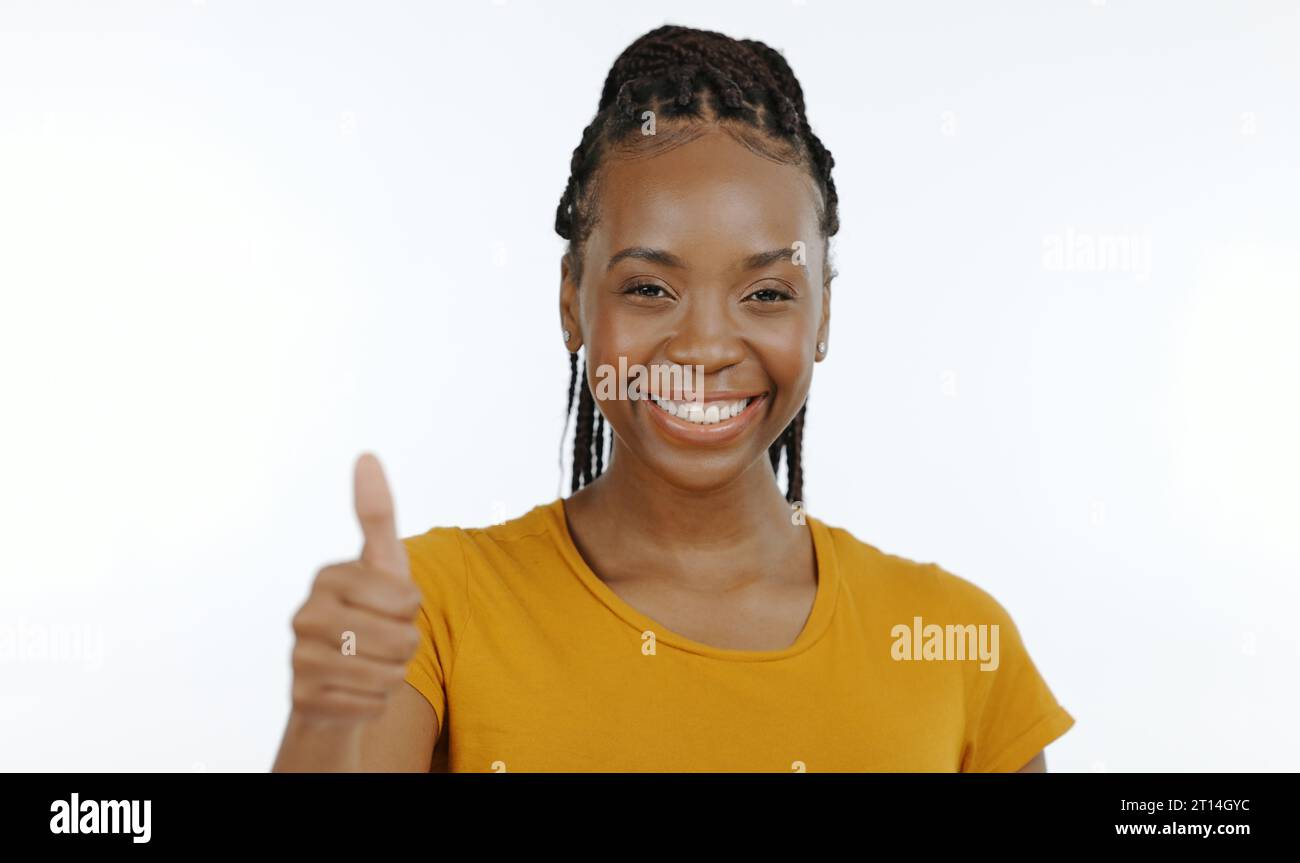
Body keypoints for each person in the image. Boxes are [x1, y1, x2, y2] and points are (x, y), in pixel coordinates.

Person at [273, 24, 1074, 773]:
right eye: (651, 287)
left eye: (766, 293)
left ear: (822, 316)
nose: (705, 349)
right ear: (570, 300)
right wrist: (324, 725)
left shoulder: (957, 644)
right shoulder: (427, 611)